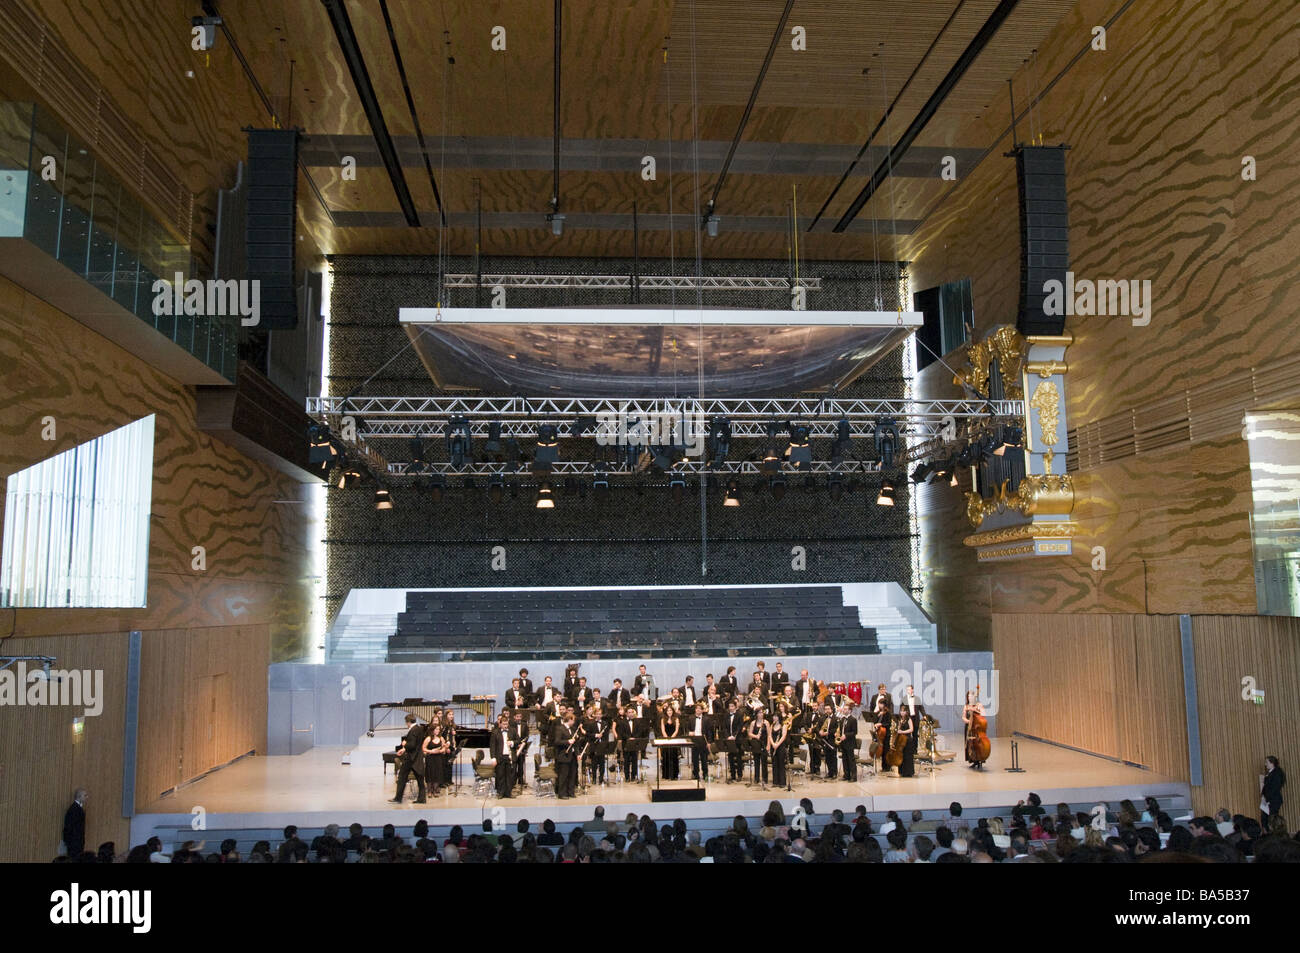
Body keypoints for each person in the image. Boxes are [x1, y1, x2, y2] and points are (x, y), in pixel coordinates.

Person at [391, 713, 427, 803]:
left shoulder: (413, 730)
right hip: (417, 758)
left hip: (411, 759)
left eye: (406, 722)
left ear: (408, 722)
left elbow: (412, 745)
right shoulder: (419, 728)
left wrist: (404, 744)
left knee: (402, 777)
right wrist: (403, 750)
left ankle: (398, 798)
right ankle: (421, 799)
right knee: (420, 780)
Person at [554, 713, 578, 798]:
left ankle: (570, 792)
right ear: (570, 719)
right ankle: (562, 793)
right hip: (564, 755)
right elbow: (557, 741)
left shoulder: (572, 729)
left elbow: (575, 743)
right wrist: (568, 741)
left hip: (572, 755)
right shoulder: (560, 729)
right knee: (563, 775)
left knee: (572, 775)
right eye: (573, 720)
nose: (574, 722)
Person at [421, 724, 449, 797]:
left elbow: (443, 748)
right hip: (430, 758)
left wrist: (440, 751)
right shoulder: (428, 738)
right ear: (432, 730)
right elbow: (423, 748)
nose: (438, 731)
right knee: (430, 773)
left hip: (438, 758)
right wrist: (431, 751)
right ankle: (429, 791)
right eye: (436, 729)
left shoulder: (441, 738)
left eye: (438, 729)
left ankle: (435, 790)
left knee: (437, 774)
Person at [489, 714, 514, 798]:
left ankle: (508, 793)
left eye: (506, 724)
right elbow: (492, 746)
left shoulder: (512, 731)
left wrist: (512, 743)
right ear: (500, 724)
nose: (505, 726)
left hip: (509, 756)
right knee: (500, 775)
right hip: (500, 756)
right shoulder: (495, 732)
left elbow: (518, 740)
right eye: (503, 724)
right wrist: (493, 758)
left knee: (509, 776)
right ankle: (500, 793)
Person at [723, 698, 745, 782]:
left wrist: (734, 735)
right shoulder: (726, 715)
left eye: (732, 706)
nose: (731, 708)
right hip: (729, 739)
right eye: (729, 706)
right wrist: (728, 736)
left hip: (737, 739)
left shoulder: (739, 714)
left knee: (738, 757)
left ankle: (739, 774)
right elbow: (724, 727)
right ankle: (732, 775)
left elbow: (740, 727)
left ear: (735, 707)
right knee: (730, 757)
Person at [1262, 755, 1286, 830]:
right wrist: (1263, 796)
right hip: (1269, 800)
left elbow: (1275, 788)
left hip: (1273, 800)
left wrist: (1267, 799)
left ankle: (1273, 834)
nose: (1265, 764)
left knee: (1271, 819)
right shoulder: (1270, 773)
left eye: (1267, 762)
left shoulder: (1276, 773)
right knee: (1265, 818)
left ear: (1272, 763)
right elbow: (1266, 787)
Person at [659, 702, 681, 780]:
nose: (669, 712)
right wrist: (666, 738)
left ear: (673, 711)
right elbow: (663, 730)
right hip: (665, 740)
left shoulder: (676, 719)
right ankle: (666, 775)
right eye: (668, 711)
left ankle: (675, 775)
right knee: (665, 757)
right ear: (666, 712)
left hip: (673, 739)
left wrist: (672, 738)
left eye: (671, 711)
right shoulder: (663, 719)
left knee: (674, 757)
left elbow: (676, 730)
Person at [62, 789, 87, 858]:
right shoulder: (74, 809)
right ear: (79, 796)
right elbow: (69, 826)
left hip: (77, 841)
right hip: (74, 842)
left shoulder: (78, 808)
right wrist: (70, 842)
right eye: (85, 795)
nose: (86, 797)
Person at [749, 708, 770, 788]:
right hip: (756, 744)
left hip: (764, 744)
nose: (761, 714)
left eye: (762, 712)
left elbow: (769, 735)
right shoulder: (753, 723)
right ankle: (756, 778)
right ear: (756, 714)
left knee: (764, 762)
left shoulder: (766, 723)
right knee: (756, 762)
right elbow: (750, 734)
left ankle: (765, 778)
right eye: (760, 713)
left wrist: (768, 745)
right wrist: (756, 736)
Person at [509, 710, 530, 790]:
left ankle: (521, 781)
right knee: (514, 765)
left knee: (521, 764)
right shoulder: (511, 725)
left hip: (522, 747)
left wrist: (523, 743)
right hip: (514, 747)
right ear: (514, 717)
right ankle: (513, 782)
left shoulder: (525, 725)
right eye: (517, 717)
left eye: (520, 717)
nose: (519, 718)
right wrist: (516, 744)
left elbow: (527, 736)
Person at [838, 702, 858, 781]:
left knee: (851, 760)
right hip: (843, 743)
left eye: (845, 709)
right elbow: (840, 730)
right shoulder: (842, 719)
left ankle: (853, 776)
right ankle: (846, 775)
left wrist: (846, 735)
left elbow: (854, 732)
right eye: (844, 709)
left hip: (850, 742)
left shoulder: (853, 720)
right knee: (844, 759)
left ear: (850, 711)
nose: (844, 710)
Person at [896, 706, 916, 778]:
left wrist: (903, 732)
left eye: (904, 711)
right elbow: (898, 728)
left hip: (908, 740)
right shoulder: (900, 720)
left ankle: (909, 772)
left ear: (907, 712)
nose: (902, 712)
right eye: (901, 711)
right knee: (902, 756)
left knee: (908, 757)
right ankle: (902, 771)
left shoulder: (909, 719)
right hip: (901, 740)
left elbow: (911, 729)